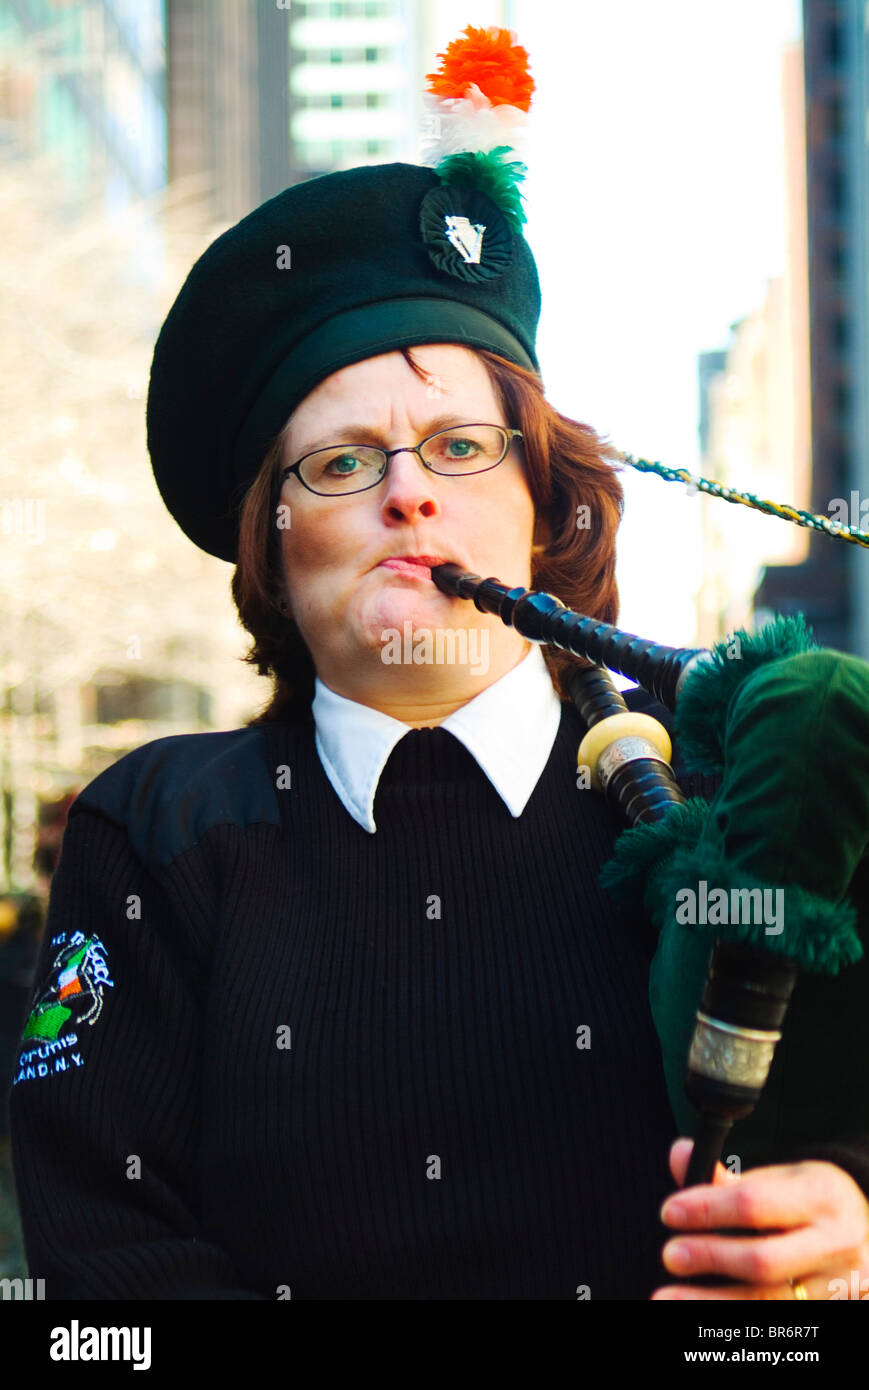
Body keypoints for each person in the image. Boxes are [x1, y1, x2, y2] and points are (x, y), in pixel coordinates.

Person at [8, 33, 869, 1300]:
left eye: (460, 446)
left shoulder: (728, 800)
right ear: (273, 543)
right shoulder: (156, 829)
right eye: (342, 463)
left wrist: (843, 1213)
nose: (408, 494)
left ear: (539, 501)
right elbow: (103, 1271)